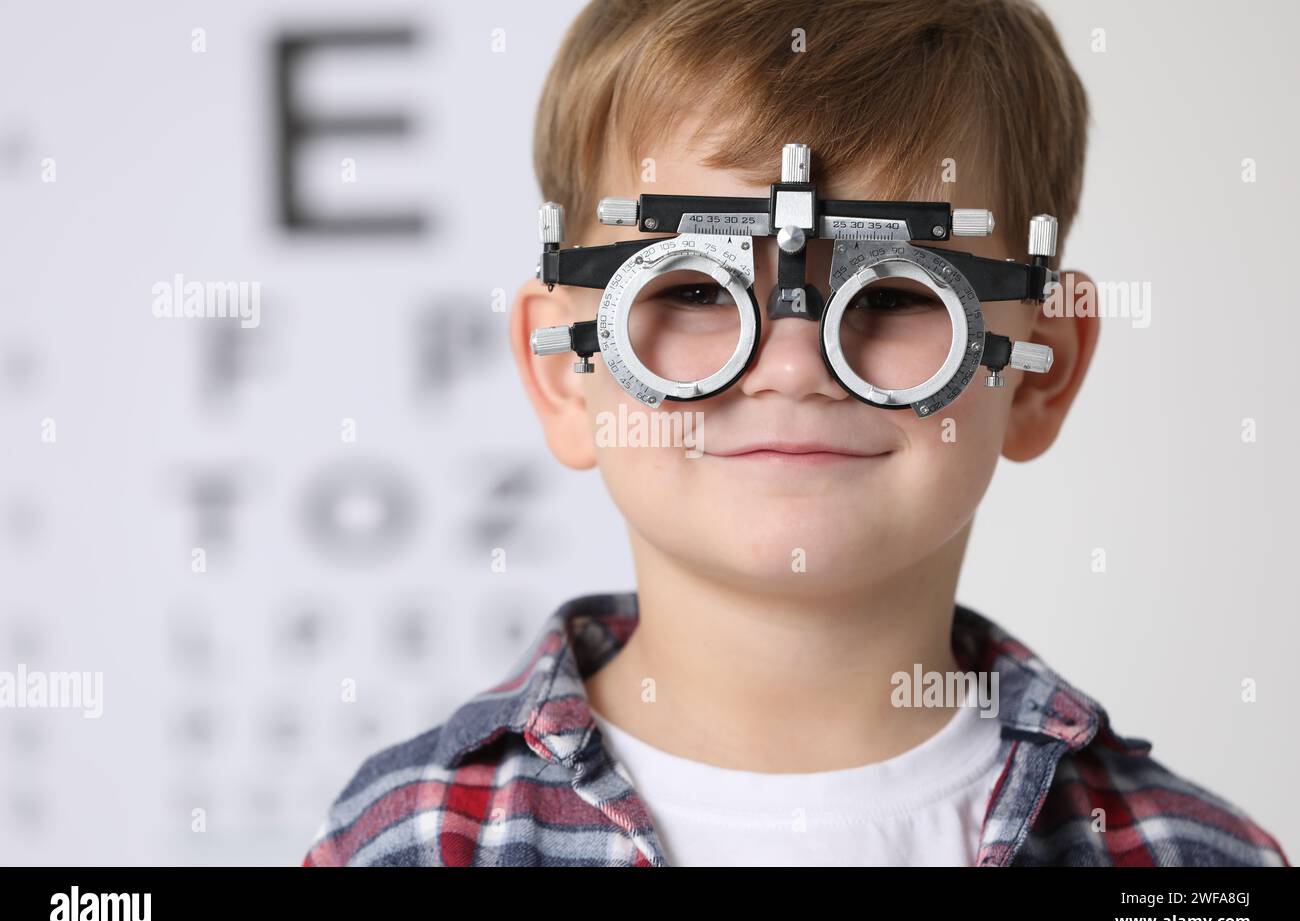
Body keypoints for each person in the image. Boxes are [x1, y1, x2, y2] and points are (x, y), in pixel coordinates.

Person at [302, 0, 1288, 866]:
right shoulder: (415, 841)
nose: (794, 363)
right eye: (692, 288)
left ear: (1044, 372)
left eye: (897, 291)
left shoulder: (1185, 864)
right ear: (567, 368)